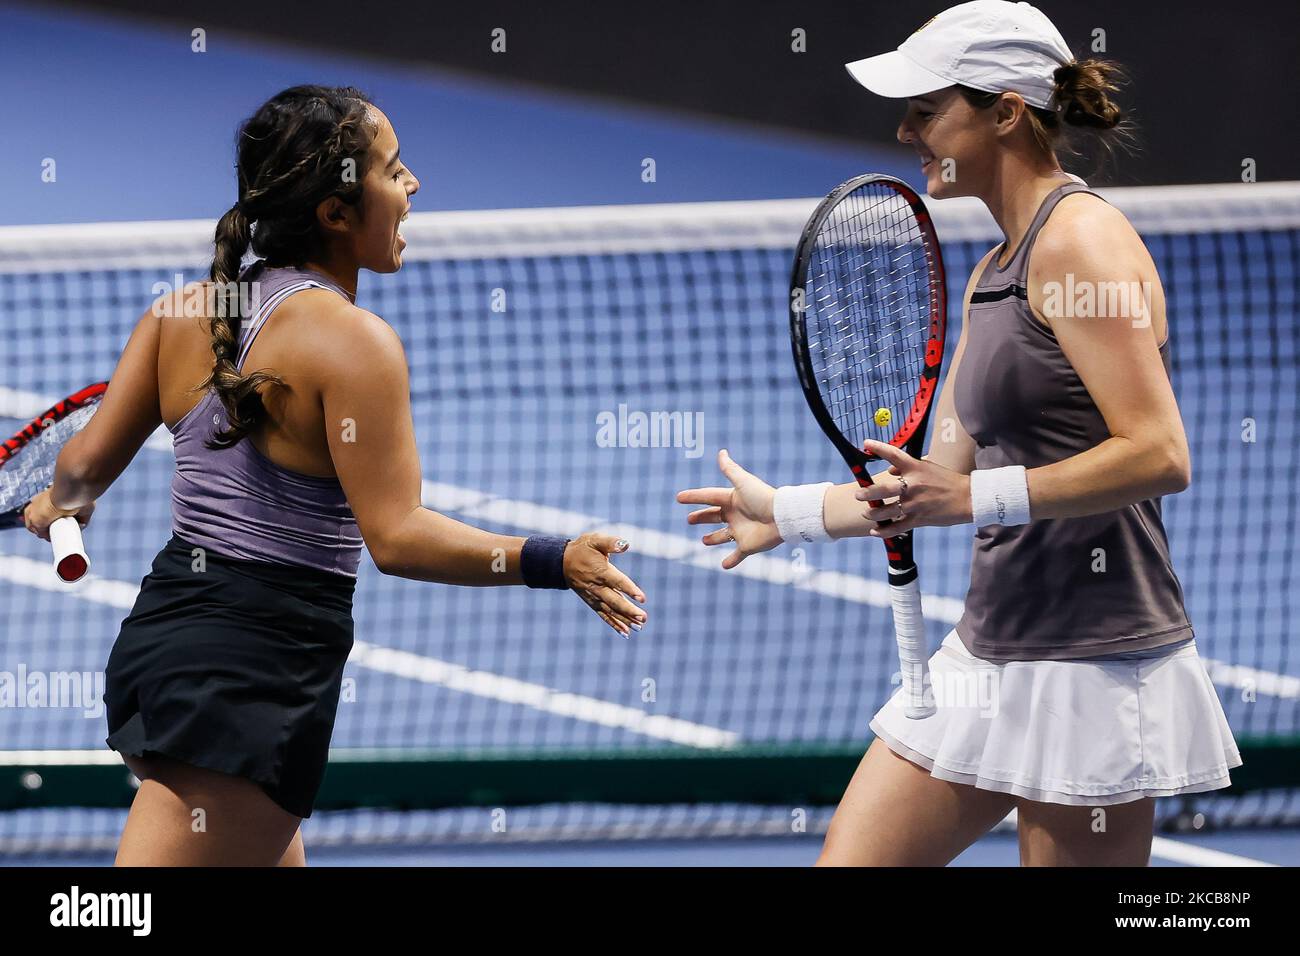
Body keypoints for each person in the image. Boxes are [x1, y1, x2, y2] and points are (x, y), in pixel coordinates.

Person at [22, 85, 648, 866]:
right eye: (392, 170)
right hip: (250, 680)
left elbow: (80, 473)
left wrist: (55, 505)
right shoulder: (356, 345)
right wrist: (553, 559)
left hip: (167, 645)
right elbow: (397, 537)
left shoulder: (182, 313)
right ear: (336, 214)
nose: (413, 184)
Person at [677, 1, 1239, 866]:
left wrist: (977, 495)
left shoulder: (1083, 243)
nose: (906, 131)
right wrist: (787, 513)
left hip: (1093, 664)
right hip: (989, 652)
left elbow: (1160, 453)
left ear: (1006, 111)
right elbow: (931, 481)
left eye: (925, 110)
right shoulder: (989, 273)